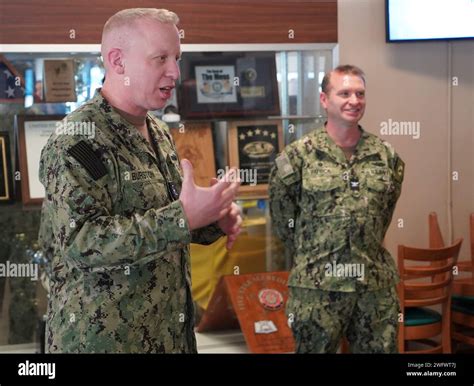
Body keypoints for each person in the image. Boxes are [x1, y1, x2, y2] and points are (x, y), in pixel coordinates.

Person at [38, 8, 242, 353]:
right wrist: (183, 218)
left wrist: (212, 219)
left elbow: (169, 224)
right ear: (117, 62)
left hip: (168, 336)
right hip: (104, 342)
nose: (175, 72)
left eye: (176, 58)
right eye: (160, 58)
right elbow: (82, 243)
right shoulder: (77, 140)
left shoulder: (158, 131)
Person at [269, 65, 404, 353]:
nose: (354, 100)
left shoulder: (386, 156)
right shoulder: (297, 156)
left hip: (373, 287)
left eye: (360, 93)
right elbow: (284, 221)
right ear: (324, 99)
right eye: (344, 93)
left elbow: (384, 215)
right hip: (317, 288)